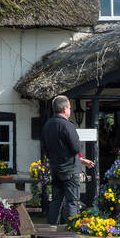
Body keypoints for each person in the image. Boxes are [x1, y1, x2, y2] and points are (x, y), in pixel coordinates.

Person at [40, 95, 94, 224]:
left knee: (56, 200)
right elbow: (76, 147)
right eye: (69, 107)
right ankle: (71, 229)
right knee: (72, 201)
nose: (70, 110)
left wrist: (81, 160)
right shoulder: (66, 125)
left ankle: (51, 228)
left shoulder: (47, 125)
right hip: (69, 170)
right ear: (65, 109)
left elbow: (46, 149)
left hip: (55, 169)